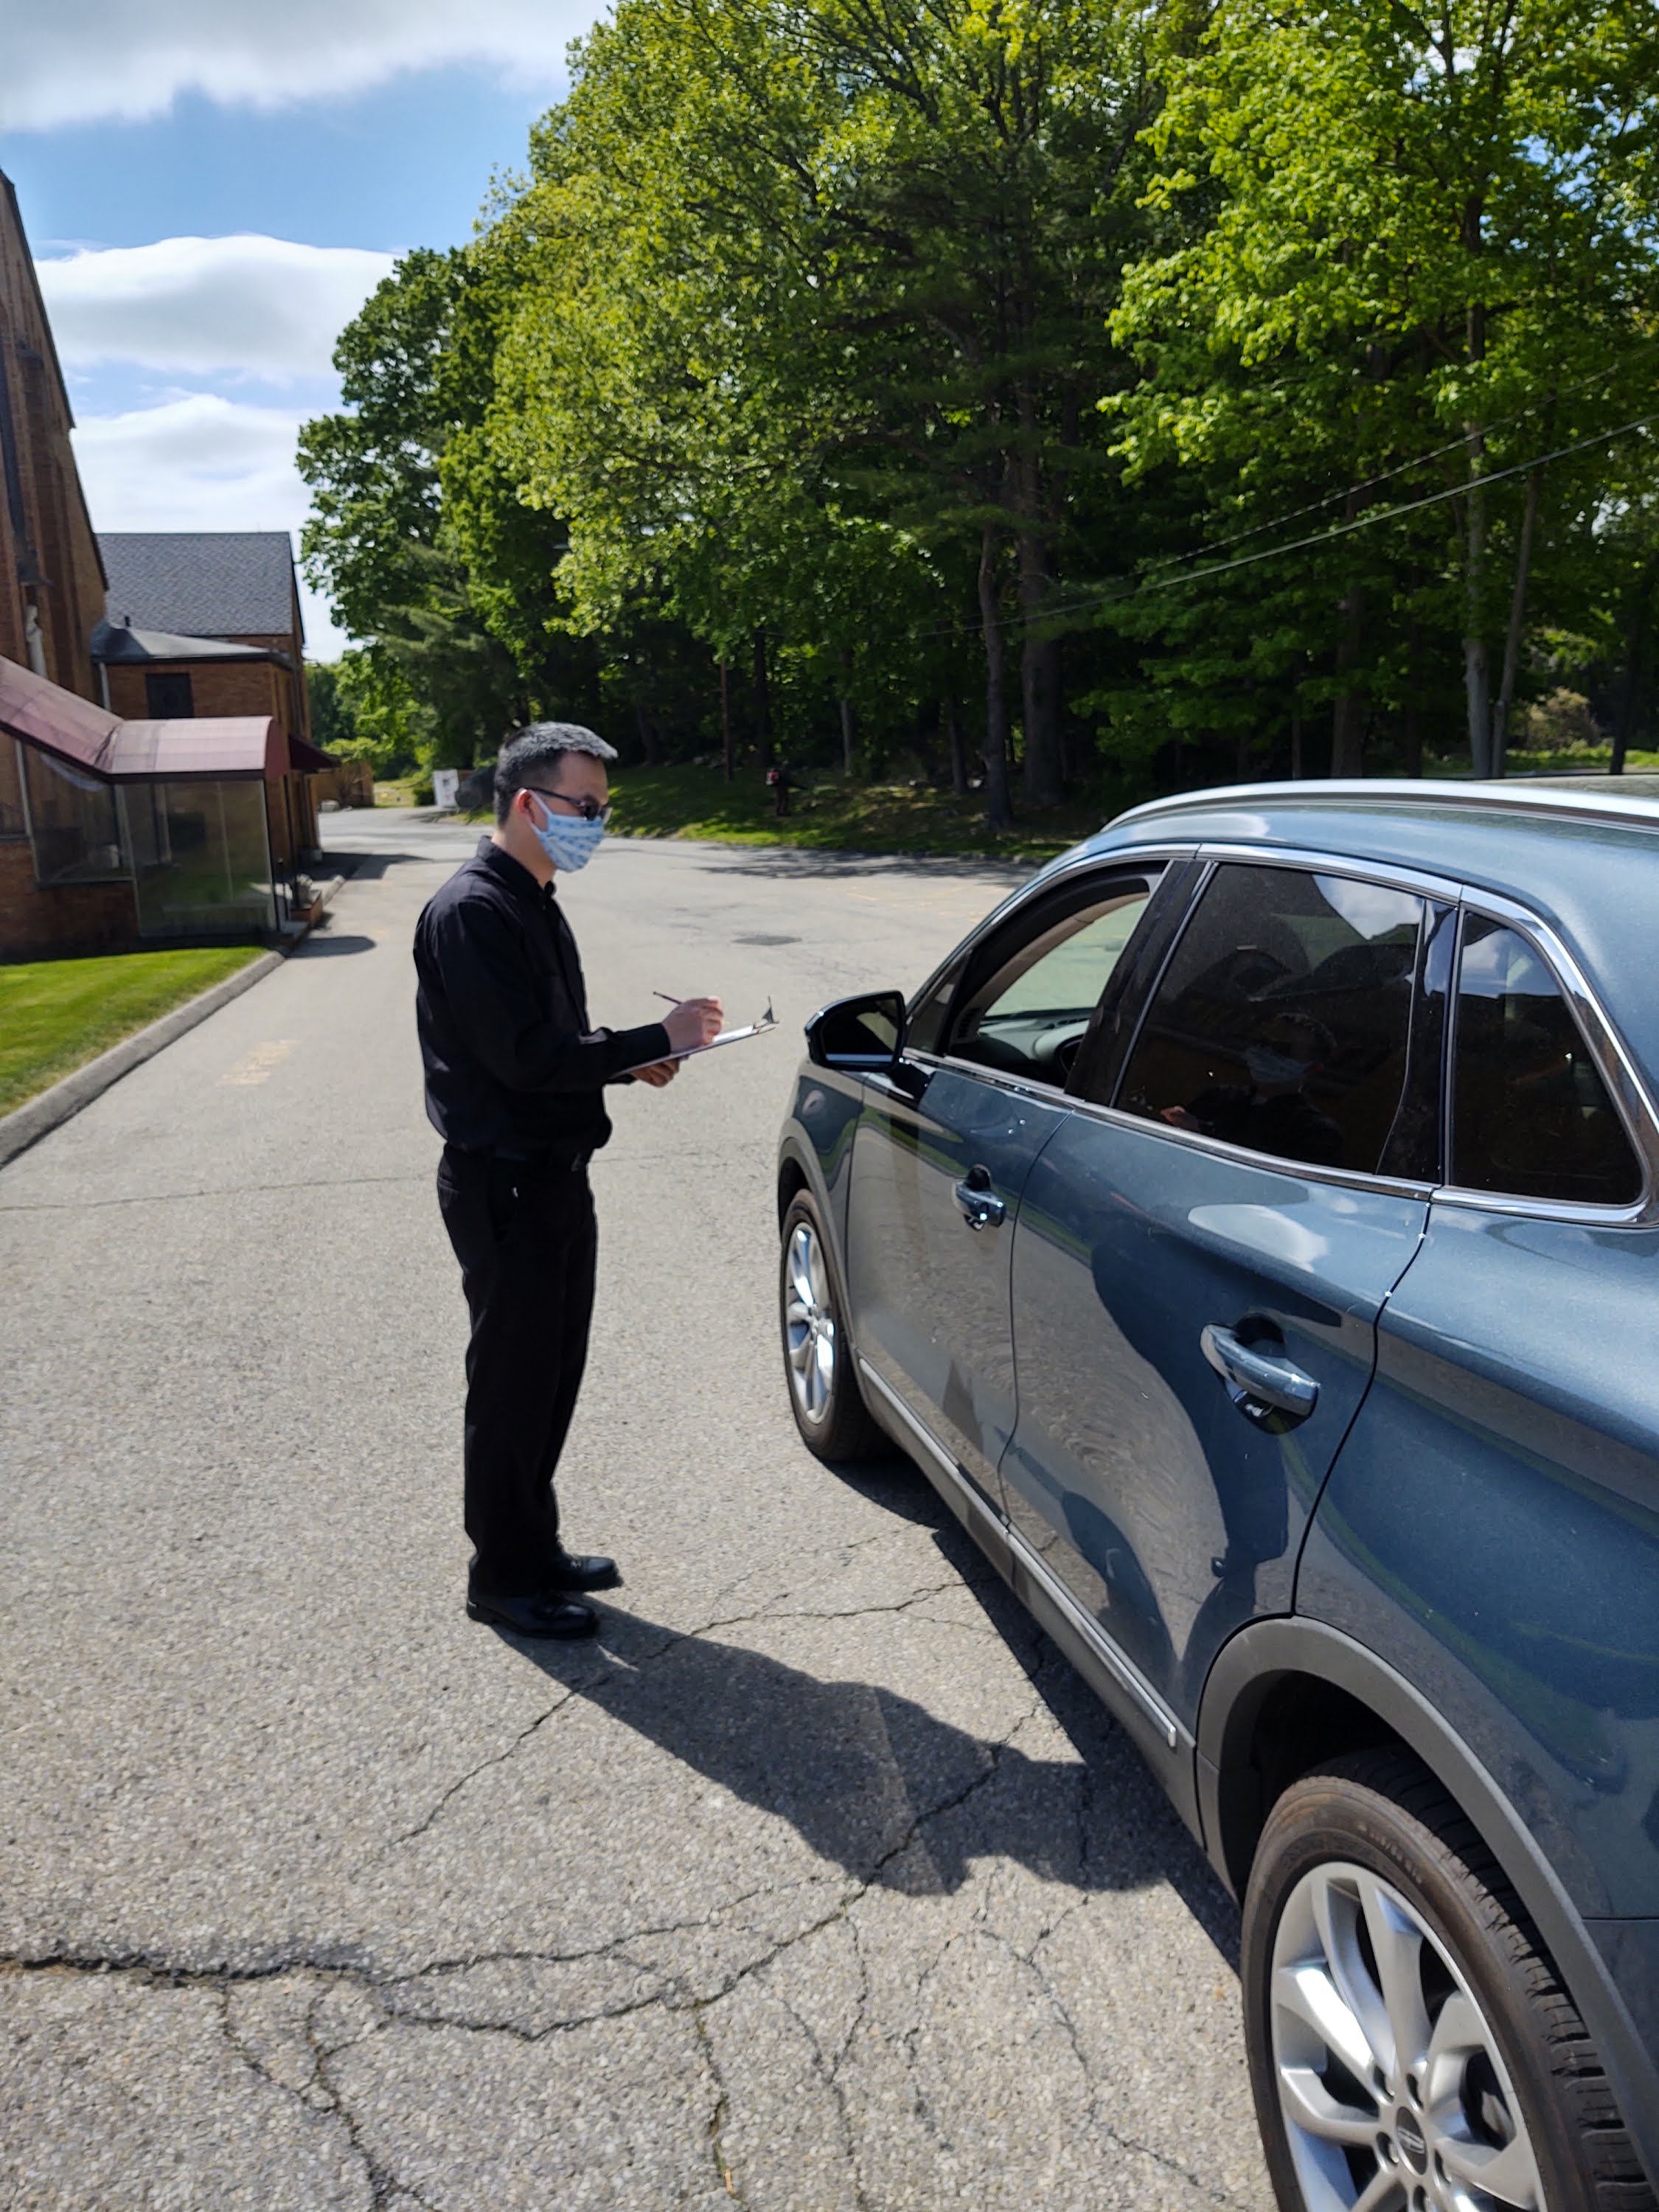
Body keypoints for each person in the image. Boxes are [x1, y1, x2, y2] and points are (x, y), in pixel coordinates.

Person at [414, 723, 723, 1638]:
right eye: (584, 806)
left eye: (602, 808)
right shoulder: (474, 910)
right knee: (511, 1385)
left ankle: (533, 1544)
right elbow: (521, 1057)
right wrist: (654, 1038)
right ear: (527, 802)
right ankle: (502, 1577)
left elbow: (555, 1050)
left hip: (551, 1179)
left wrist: (624, 1062)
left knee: (550, 1377)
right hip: (504, 1184)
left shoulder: (533, 901)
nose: (597, 822)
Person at [1160, 1009, 1343, 1169]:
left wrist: (1204, 1133)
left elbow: (1274, 1179)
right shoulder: (1217, 1098)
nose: (1266, 1052)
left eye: (1282, 1049)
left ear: (1313, 1068)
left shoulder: (1316, 1131)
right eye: (1261, 1042)